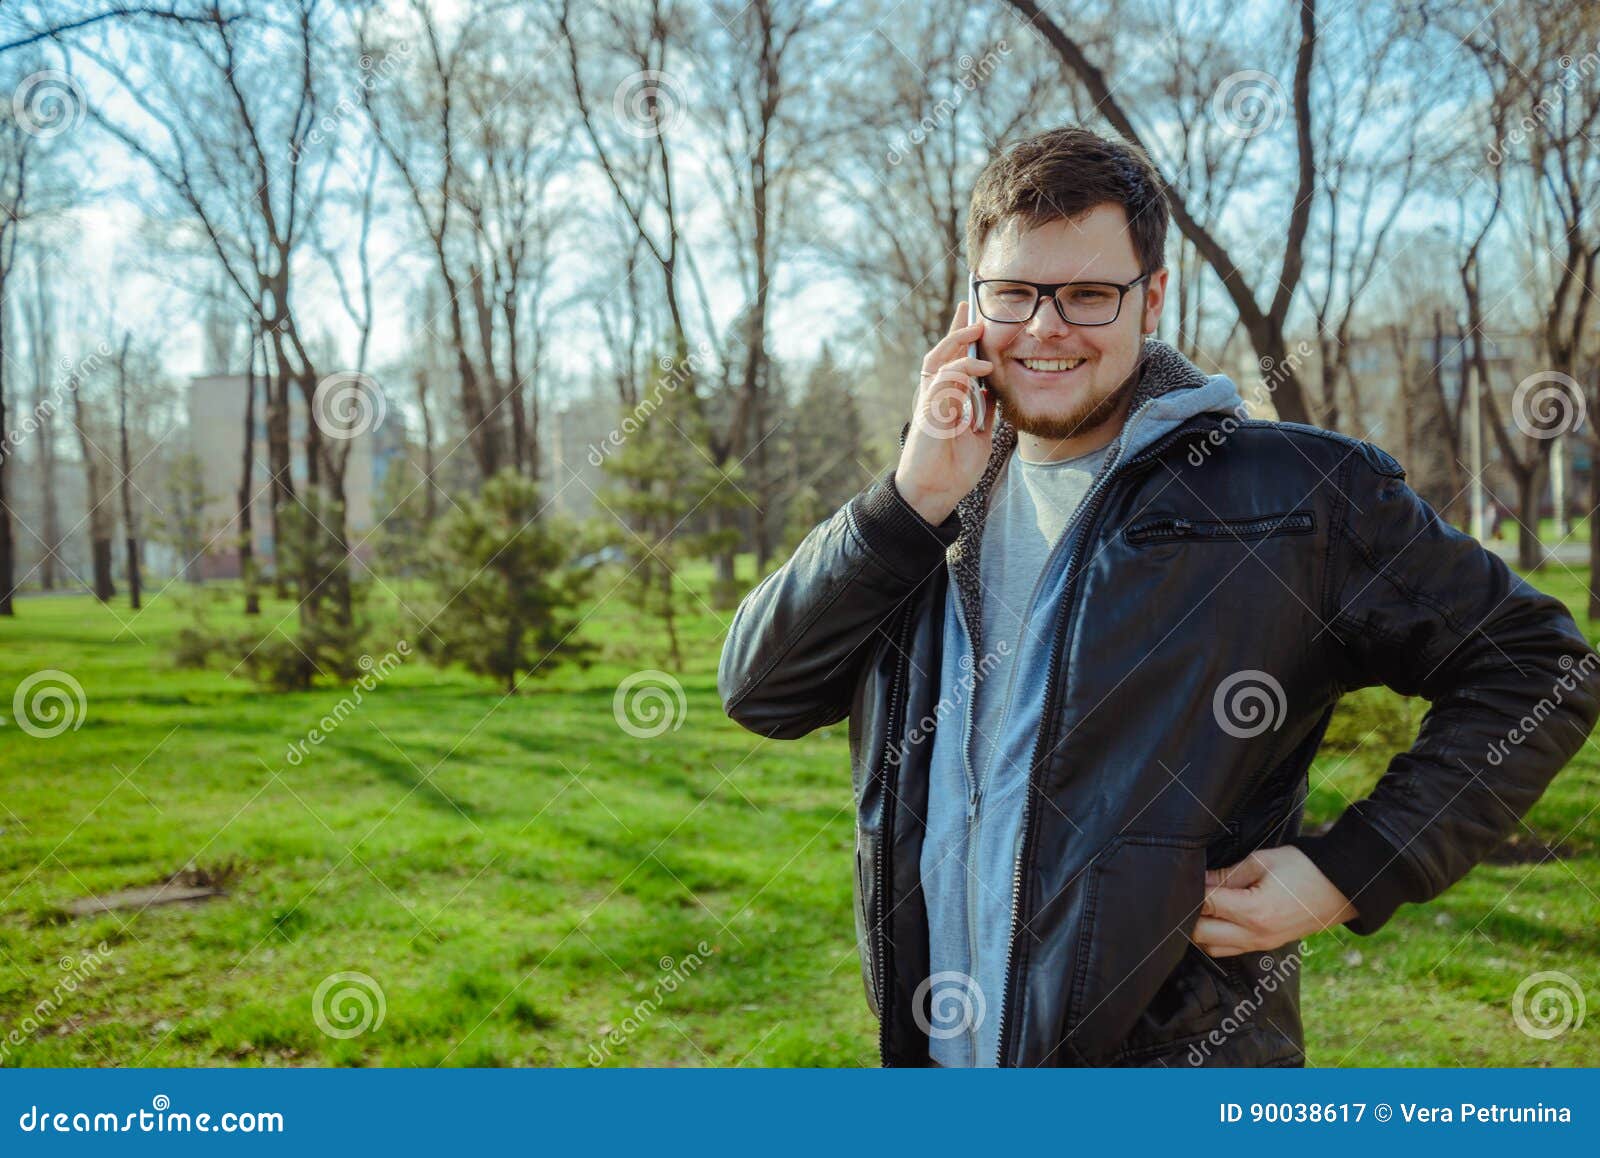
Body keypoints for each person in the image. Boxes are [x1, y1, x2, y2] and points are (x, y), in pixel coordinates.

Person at [717, 125, 1598, 1067]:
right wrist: (909, 502)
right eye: (1013, 294)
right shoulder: (927, 503)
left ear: (1154, 299)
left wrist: (1354, 868)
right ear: (973, 303)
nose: (1045, 327)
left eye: (1090, 294)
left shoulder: (1290, 494)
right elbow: (763, 692)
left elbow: (1537, 665)